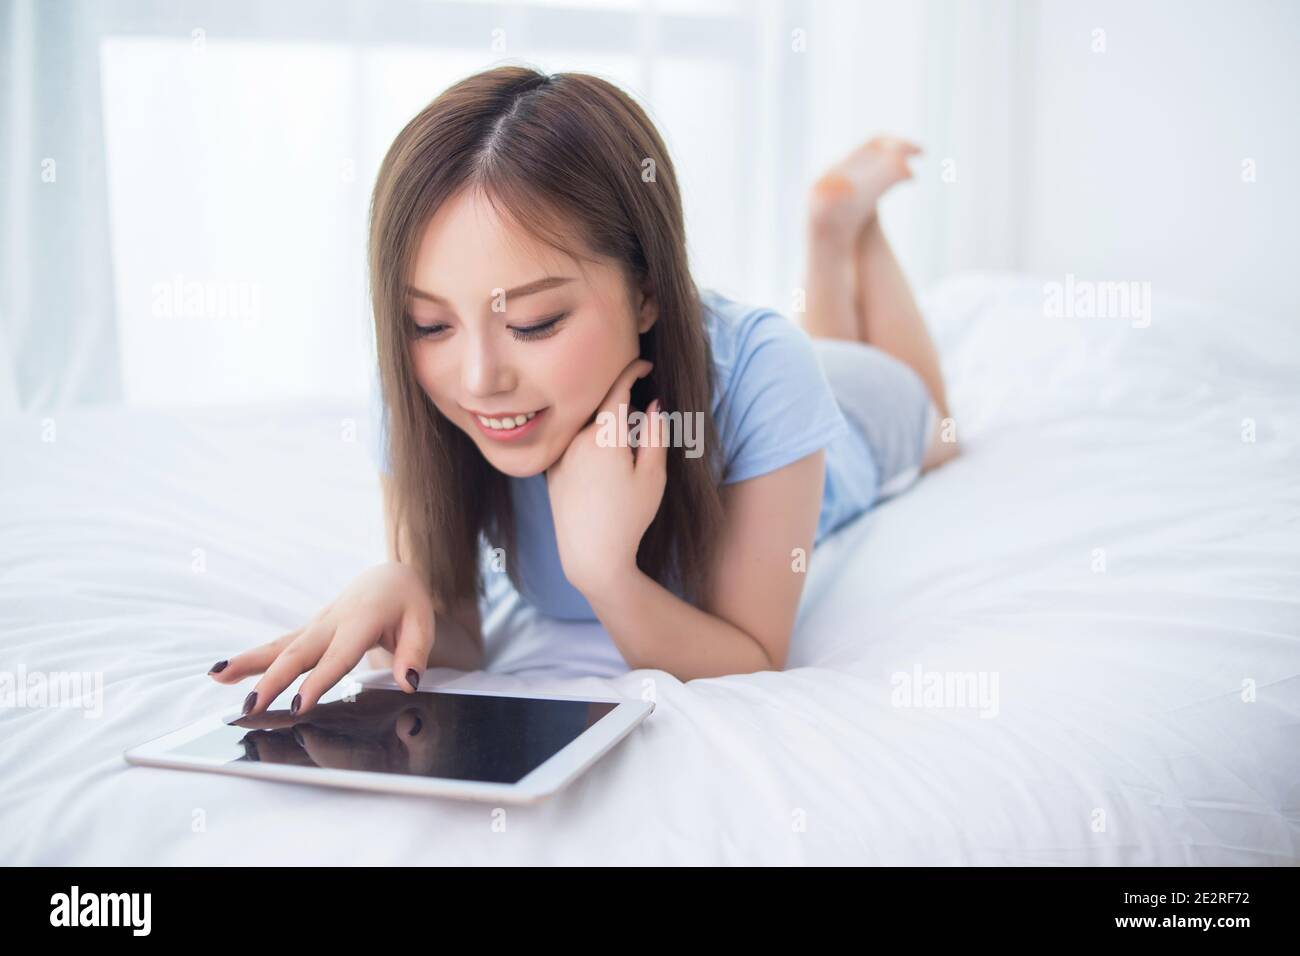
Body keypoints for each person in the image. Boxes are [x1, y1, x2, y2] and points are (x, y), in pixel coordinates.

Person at [207, 65, 959, 715]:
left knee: (936, 423)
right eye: (430, 322)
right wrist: (401, 594)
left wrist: (606, 574)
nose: (478, 381)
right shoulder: (415, 383)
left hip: (856, 421)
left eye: (533, 322)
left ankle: (839, 233)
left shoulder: (763, 373)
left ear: (647, 293)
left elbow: (753, 659)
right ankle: (833, 241)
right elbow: (457, 645)